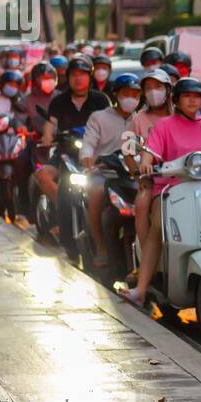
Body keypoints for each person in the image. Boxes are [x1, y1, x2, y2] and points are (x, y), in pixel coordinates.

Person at [120, 77, 201, 306]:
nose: (192, 100)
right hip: (170, 189)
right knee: (158, 227)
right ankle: (142, 288)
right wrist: (146, 163)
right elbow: (150, 151)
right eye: (187, 96)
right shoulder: (164, 125)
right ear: (176, 100)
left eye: (196, 96)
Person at [80, 73, 142, 268]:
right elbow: (89, 142)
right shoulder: (99, 117)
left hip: (132, 173)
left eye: (135, 94)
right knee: (96, 193)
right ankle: (100, 246)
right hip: (103, 172)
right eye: (126, 93)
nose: (130, 98)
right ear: (116, 95)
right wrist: (87, 156)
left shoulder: (141, 119)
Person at [36, 56, 110, 208]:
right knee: (42, 175)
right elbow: (51, 122)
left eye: (82, 74)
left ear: (90, 77)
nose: (78, 78)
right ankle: (62, 209)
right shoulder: (59, 101)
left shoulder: (101, 100)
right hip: (66, 154)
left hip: (97, 155)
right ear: (67, 77)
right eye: (74, 74)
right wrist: (47, 135)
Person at [126, 68, 173, 260]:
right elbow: (128, 153)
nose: (154, 91)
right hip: (152, 180)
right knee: (142, 202)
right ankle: (148, 258)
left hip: (182, 177)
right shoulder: (138, 119)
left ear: (168, 90)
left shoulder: (179, 115)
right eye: (149, 88)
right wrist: (139, 174)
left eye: (159, 87)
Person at [18, 61, 58, 139]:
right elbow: (19, 119)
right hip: (37, 142)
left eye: (51, 77)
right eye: (44, 78)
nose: (49, 80)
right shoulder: (26, 101)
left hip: (62, 142)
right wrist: (21, 127)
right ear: (35, 80)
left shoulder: (61, 97)